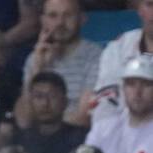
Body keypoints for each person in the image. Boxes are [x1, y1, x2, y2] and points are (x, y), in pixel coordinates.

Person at [15, 0, 101, 128]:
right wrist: (38, 69)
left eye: (68, 15)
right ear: (43, 21)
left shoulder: (95, 55)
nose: (60, 23)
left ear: (82, 19)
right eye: (53, 16)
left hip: (77, 139)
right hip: (39, 140)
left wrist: (45, 123)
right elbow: (24, 121)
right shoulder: (35, 58)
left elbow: (84, 117)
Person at [85, 54, 153, 153]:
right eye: (131, 84)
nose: (137, 92)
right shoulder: (103, 130)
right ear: (123, 88)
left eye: (146, 84)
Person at [13, 71, 86, 153]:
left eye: (52, 96)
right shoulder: (19, 141)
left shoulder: (85, 138)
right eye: (39, 97)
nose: (45, 103)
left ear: (65, 102)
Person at [91, 0, 153, 122]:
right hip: (122, 133)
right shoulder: (119, 47)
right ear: (139, 9)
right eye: (150, 5)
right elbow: (105, 104)